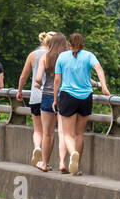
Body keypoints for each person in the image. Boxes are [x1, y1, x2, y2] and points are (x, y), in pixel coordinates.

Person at [53, 32, 110, 175]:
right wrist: (103, 86)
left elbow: (57, 81)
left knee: (67, 134)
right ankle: (76, 166)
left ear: (69, 44)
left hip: (67, 96)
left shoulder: (62, 57)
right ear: (82, 43)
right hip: (85, 97)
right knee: (79, 133)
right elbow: (99, 69)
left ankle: (72, 154)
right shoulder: (89, 56)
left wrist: (55, 99)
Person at [14, 32, 52, 167]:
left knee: (37, 129)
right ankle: (45, 161)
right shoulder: (57, 55)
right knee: (48, 131)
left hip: (35, 96)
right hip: (50, 96)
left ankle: (37, 147)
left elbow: (24, 75)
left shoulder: (33, 55)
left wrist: (19, 90)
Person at [34, 33, 68, 172]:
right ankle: (63, 163)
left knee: (47, 133)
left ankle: (45, 163)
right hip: (65, 96)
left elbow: (37, 78)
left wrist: (40, 83)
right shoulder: (68, 58)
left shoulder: (45, 57)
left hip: (47, 96)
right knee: (64, 132)